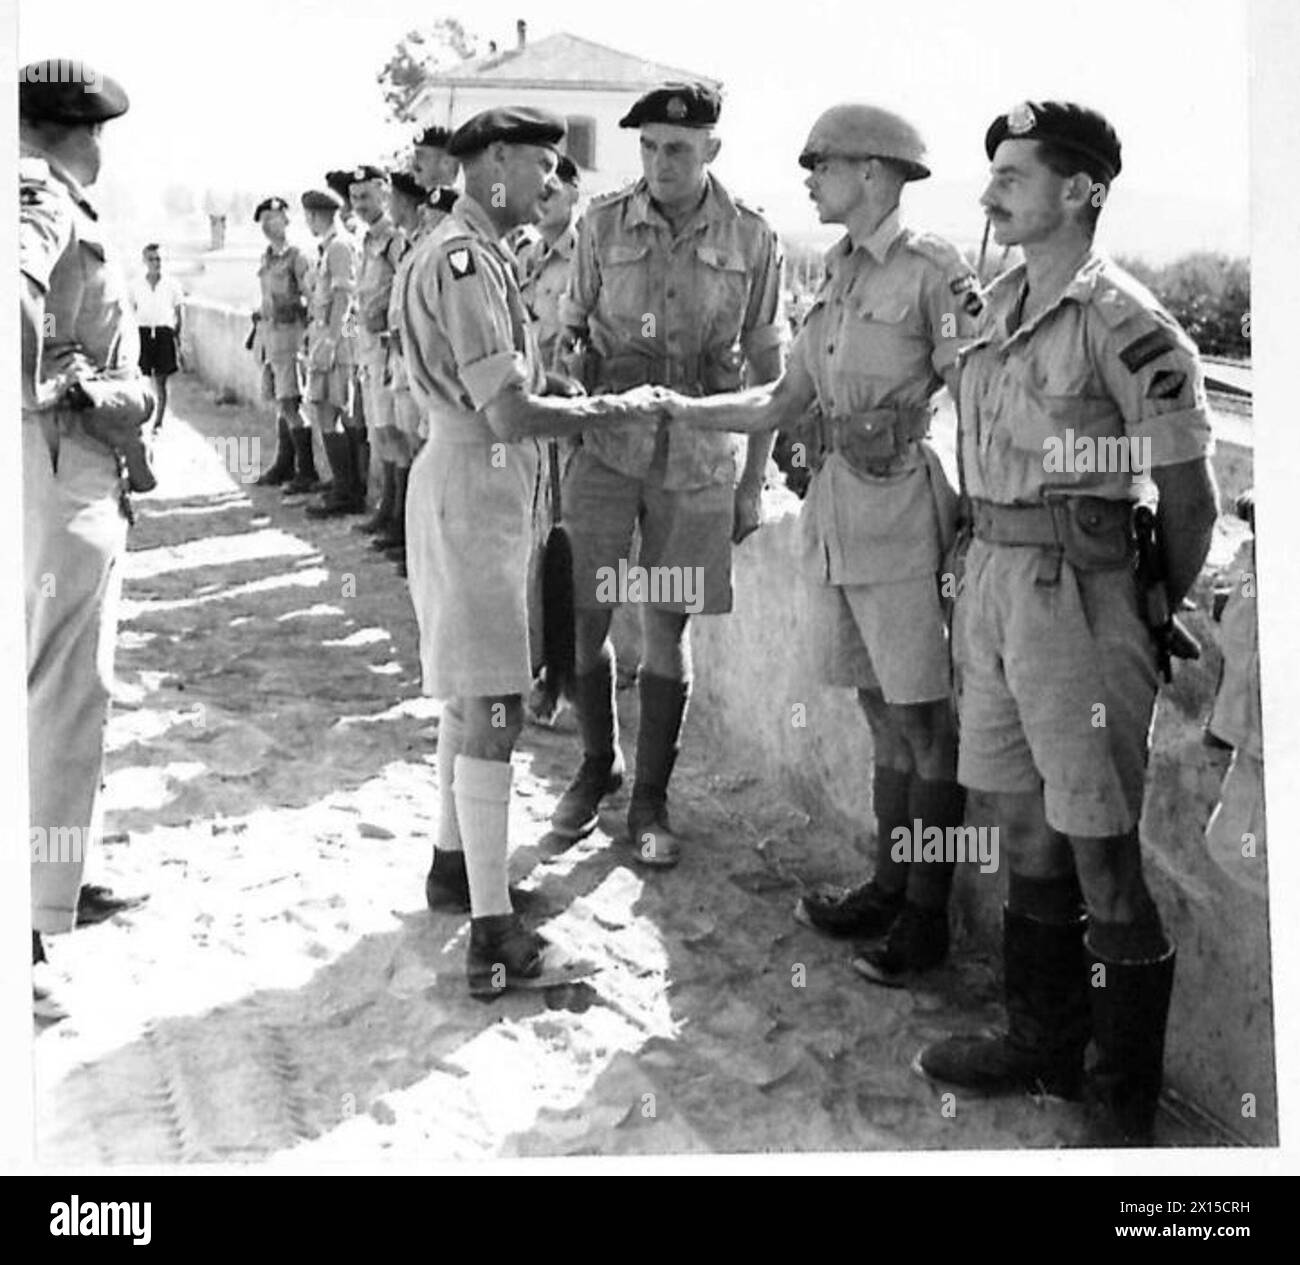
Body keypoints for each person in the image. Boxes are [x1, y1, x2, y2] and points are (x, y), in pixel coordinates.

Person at [913, 102, 1218, 1146]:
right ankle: (1038, 1040)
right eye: (991, 172)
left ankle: (1117, 1095)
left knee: (1101, 854)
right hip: (993, 575)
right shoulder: (993, 307)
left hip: (1078, 601)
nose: (992, 190)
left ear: (1081, 191)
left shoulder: (1126, 322)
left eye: (1015, 174)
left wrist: (1143, 610)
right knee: (1027, 830)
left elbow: (1190, 500)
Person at [667, 104, 979, 983]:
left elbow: (983, 397)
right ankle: (887, 884)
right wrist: (683, 407)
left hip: (903, 515)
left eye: (824, 163)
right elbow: (781, 399)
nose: (808, 177)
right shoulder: (838, 276)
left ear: (875, 173)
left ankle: (927, 918)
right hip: (840, 511)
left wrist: (982, 524)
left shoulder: (932, 273)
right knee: (882, 715)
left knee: (926, 724)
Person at [396, 105, 669, 996]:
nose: (551, 183)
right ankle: (493, 931)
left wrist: (559, 387)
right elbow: (507, 412)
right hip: (478, 487)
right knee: (494, 712)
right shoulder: (466, 260)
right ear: (496, 162)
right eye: (542, 164)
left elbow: (508, 388)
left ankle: (453, 867)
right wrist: (604, 412)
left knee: (468, 696)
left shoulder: (460, 249)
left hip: (476, 483)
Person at [550, 82, 786, 869]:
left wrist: (755, 480)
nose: (660, 163)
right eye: (648, 147)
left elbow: (768, 367)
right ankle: (595, 764)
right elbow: (568, 330)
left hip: (695, 460)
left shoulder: (752, 237)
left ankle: (651, 799)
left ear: (711, 149)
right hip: (608, 448)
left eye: (678, 149)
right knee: (588, 607)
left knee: (664, 622)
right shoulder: (601, 222)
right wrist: (570, 381)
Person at [20, 60, 155, 1022]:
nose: (104, 145)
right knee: (60, 696)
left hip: (78, 471)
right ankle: (26, 927)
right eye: (98, 128)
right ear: (73, 130)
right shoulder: (35, 191)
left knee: (64, 692)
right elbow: (16, 296)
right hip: (57, 468)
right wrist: (54, 388)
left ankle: (52, 882)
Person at [347, 166, 413, 549]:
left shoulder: (394, 240)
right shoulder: (367, 242)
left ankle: (400, 518)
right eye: (354, 198)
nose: (359, 205)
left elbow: (402, 292)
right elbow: (358, 301)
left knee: (396, 432)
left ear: (384, 194)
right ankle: (386, 508)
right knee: (380, 431)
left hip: (391, 349)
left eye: (366, 197)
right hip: (369, 349)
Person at [300, 187, 367, 518]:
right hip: (334, 336)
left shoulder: (338, 246)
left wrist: (330, 341)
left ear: (314, 216)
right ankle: (349, 485)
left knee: (328, 411)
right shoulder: (335, 245)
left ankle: (347, 491)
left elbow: (345, 296)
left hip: (333, 338)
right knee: (340, 412)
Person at [380, 170, 433, 575]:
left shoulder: (429, 248)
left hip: (422, 365)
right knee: (407, 445)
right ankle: (404, 531)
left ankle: (419, 546)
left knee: (423, 452)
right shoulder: (411, 247)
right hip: (401, 359)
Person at [249, 196, 316, 491]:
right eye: (263, 220)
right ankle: (283, 464)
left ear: (287, 220)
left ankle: (307, 470)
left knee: (291, 402)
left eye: (273, 218)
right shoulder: (266, 258)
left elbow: (312, 299)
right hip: (270, 337)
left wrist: (287, 305)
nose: (267, 225)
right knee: (280, 402)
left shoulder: (297, 257)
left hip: (290, 336)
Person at [514, 154, 582, 369]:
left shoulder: (588, 258)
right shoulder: (523, 258)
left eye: (547, 193)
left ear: (573, 194)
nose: (538, 204)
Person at [130, 243, 184, 432]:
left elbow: (179, 310)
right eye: (152, 259)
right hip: (143, 332)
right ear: (144, 261)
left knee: (161, 380)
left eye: (158, 259)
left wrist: (177, 336)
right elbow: (131, 310)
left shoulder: (172, 284)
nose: (156, 263)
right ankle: (142, 417)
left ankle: (159, 421)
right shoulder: (136, 284)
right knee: (141, 379)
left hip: (163, 333)